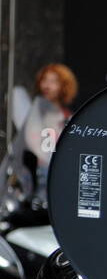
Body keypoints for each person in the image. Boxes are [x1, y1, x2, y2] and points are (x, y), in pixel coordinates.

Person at [18, 63, 77, 201]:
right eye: (44, 80)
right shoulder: (33, 114)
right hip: (31, 182)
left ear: (64, 86)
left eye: (53, 81)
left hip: (55, 180)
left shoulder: (68, 118)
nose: (47, 86)